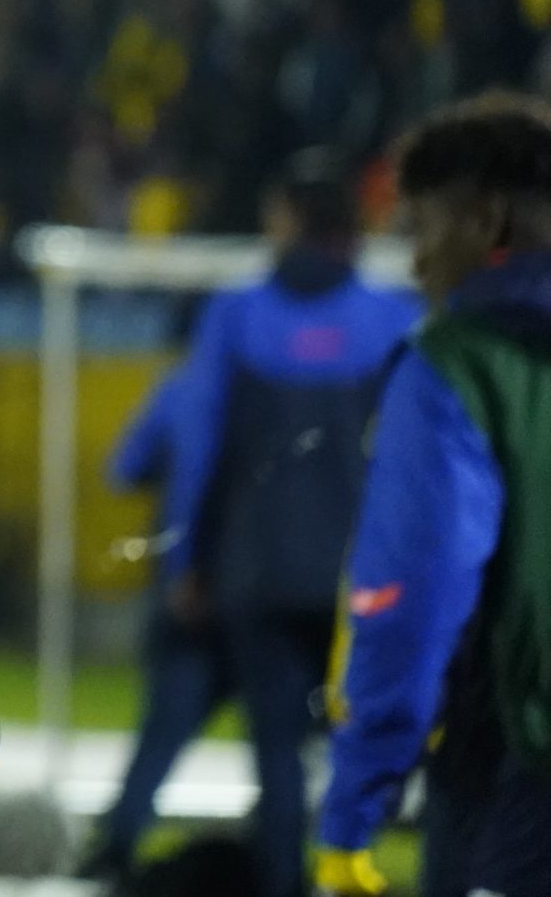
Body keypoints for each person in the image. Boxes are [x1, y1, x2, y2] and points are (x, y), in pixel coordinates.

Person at [156, 150, 419, 897]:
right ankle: (355, 875)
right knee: (366, 747)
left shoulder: (237, 315)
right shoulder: (392, 319)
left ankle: (283, 884)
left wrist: (186, 564)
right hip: (361, 579)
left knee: (277, 758)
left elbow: (199, 448)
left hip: (258, 573)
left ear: (293, 221)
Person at [314, 94, 551, 897]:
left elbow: (409, 597)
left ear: (486, 222)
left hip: (517, 777)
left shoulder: (456, 368)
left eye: (420, 229)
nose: (414, 263)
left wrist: (354, 808)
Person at [77, 306, 235, 881]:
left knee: (160, 738)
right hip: (267, 598)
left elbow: (124, 468)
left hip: (185, 595)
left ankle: (113, 852)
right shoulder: (273, 386)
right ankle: (286, 862)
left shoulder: (180, 388)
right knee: (285, 747)